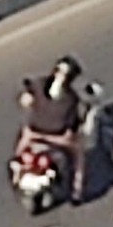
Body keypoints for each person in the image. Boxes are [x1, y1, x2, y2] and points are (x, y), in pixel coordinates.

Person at [25, 56, 87, 202]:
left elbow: (27, 94)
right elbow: (72, 125)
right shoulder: (71, 99)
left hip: (34, 133)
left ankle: (17, 169)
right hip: (56, 137)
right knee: (78, 153)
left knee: (24, 139)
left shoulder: (40, 84)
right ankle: (76, 191)